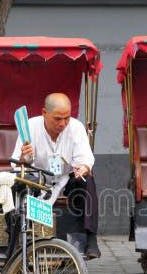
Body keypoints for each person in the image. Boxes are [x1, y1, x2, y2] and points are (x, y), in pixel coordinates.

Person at [12, 92, 100, 259]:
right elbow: (18, 165)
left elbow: (85, 158)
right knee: (21, 183)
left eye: (66, 117)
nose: (63, 123)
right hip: (37, 181)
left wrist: (83, 167)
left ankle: (91, 238)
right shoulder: (29, 127)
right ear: (44, 113)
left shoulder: (75, 127)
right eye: (58, 119)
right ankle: (20, 238)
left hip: (65, 179)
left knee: (87, 181)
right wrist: (24, 159)